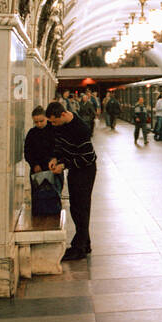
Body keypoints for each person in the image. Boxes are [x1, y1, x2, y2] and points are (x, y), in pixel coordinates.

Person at [45, 100, 97, 260]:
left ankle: (79, 247)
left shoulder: (81, 129)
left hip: (85, 170)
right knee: (76, 207)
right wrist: (55, 157)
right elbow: (59, 145)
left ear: (63, 115)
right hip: (75, 169)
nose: (53, 125)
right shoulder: (59, 126)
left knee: (81, 208)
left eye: (54, 121)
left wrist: (64, 165)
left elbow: (88, 157)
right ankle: (84, 244)